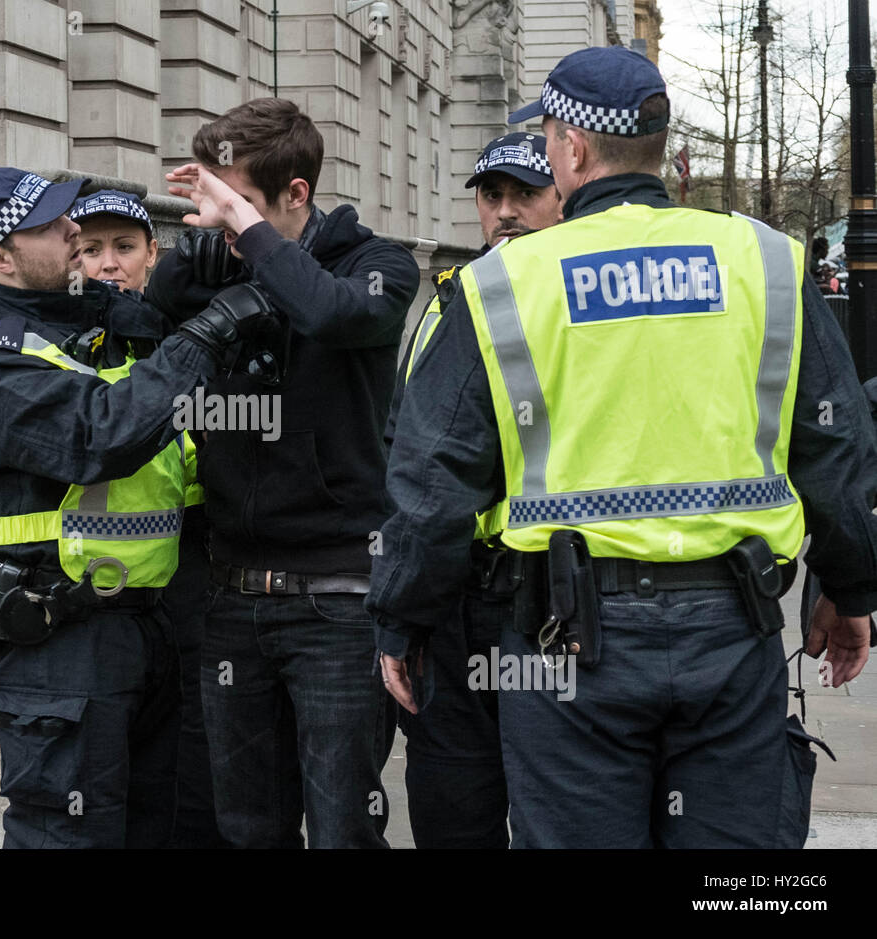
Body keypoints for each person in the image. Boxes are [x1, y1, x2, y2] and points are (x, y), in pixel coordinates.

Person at [368, 46, 877, 849]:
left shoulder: (503, 283)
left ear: (570, 149)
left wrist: (403, 618)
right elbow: (837, 445)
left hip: (564, 643)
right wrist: (850, 588)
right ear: (664, 148)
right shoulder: (765, 262)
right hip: (734, 631)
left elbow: (434, 479)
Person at [0, 167, 276, 848]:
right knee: (66, 834)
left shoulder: (87, 319)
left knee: (154, 828)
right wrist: (206, 333)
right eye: (52, 226)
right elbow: (99, 435)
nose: (75, 232)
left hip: (142, 624)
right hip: (57, 638)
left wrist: (222, 253)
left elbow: (149, 310)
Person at [145, 98, 420, 848]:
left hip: (338, 602)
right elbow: (156, 304)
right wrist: (197, 253)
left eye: (237, 206)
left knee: (342, 830)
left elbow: (335, 315)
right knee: (246, 830)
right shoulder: (225, 260)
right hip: (231, 598)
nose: (221, 226)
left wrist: (253, 238)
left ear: (295, 196)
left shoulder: (379, 266)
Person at [387, 133, 561, 850]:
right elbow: (415, 455)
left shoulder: (569, 296)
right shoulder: (450, 300)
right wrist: (406, 606)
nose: (507, 212)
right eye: (493, 196)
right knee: (454, 807)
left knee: (561, 813)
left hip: (554, 602)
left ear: (566, 193)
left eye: (526, 193)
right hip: (458, 596)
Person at [67, 189, 228, 847]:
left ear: (153, 255)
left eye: (124, 248)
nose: (109, 264)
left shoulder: (183, 342)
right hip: (84, 603)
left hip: (187, 584)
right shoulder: (55, 347)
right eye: (92, 249)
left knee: (190, 789)